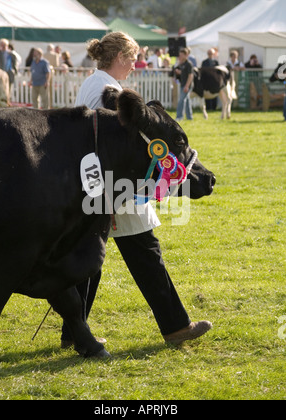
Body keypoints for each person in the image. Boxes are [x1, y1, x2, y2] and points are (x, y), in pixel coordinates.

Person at [61, 31, 212, 348]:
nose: (135, 64)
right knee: (145, 255)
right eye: (132, 58)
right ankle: (175, 326)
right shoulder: (108, 91)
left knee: (91, 261)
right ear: (119, 58)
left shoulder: (94, 82)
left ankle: (74, 333)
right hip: (118, 188)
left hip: (98, 186)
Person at [175, 48, 194, 122]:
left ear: (186, 55)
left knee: (181, 100)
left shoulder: (189, 64)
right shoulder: (182, 64)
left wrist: (187, 86)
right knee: (187, 101)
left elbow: (190, 76)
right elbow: (184, 73)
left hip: (187, 85)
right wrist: (179, 72)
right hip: (183, 84)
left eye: (181, 55)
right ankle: (190, 117)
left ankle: (179, 116)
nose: (180, 56)